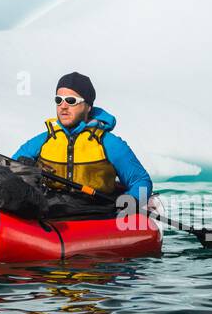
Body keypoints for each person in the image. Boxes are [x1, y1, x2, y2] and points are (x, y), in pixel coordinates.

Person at [12, 71, 152, 211]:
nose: (63, 106)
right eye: (58, 100)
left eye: (71, 101)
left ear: (88, 107)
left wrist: (131, 200)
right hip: (51, 210)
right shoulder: (42, 141)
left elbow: (141, 181)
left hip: (95, 211)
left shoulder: (109, 143)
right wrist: (23, 168)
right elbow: (9, 167)